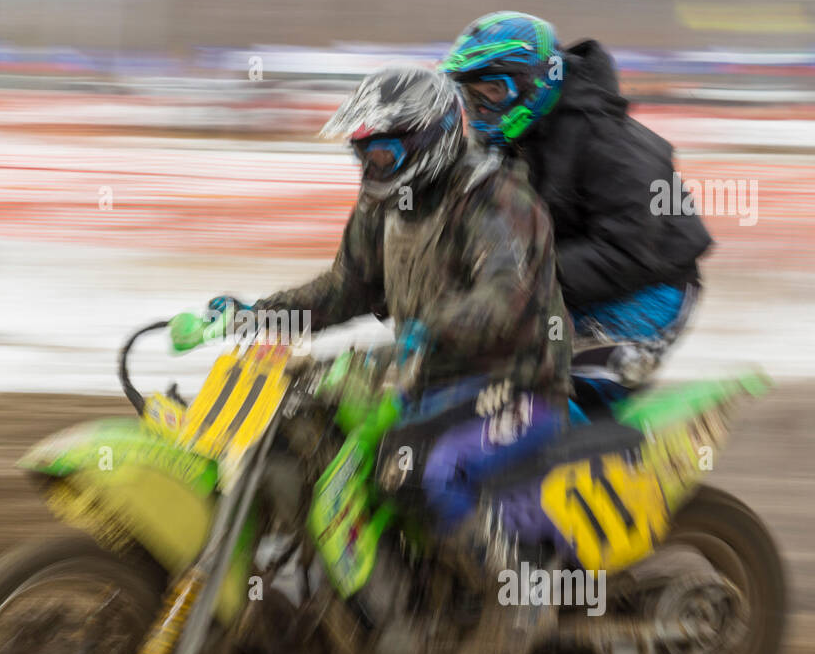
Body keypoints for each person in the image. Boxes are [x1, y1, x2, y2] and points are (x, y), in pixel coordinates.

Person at [226, 64, 572, 548]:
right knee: (316, 443)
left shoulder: (497, 202)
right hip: (428, 377)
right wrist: (259, 314)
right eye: (362, 153)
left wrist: (431, 328)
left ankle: (514, 597)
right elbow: (348, 287)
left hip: (515, 385)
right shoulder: (383, 204)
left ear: (428, 140)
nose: (370, 167)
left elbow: (502, 300)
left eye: (383, 152)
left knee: (426, 470)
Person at [440, 11, 713, 414]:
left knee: (550, 392)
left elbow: (628, 251)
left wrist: (521, 279)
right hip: (567, 282)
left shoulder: (614, 146)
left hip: (651, 290)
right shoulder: (508, 142)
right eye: (471, 95)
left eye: (492, 91)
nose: (479, 106)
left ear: (535, 81)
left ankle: (591, 445)